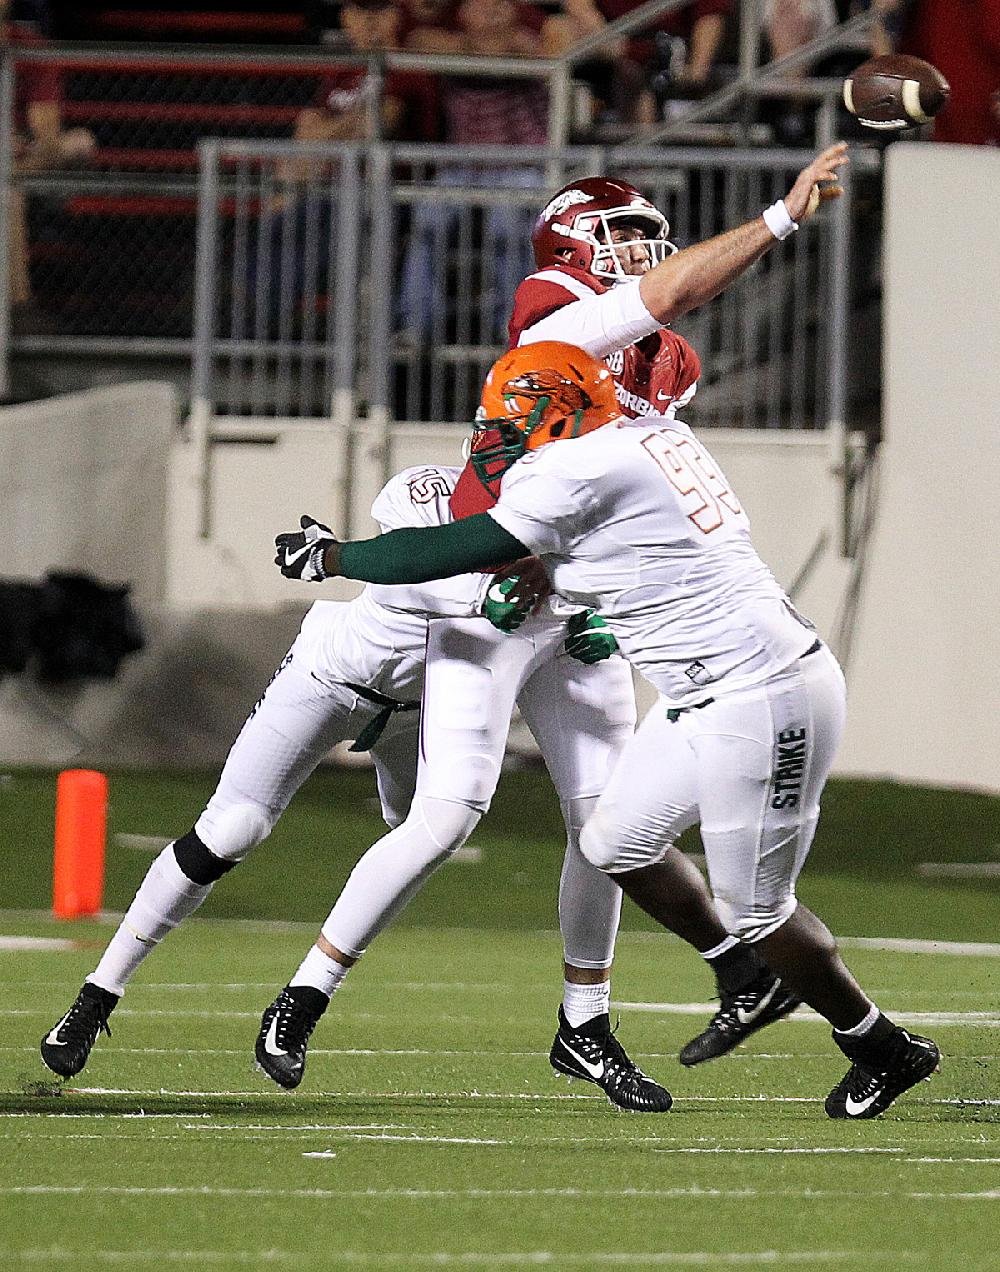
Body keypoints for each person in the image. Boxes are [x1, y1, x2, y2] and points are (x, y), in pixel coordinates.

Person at [277, 332, 942, 1120]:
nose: (501, 438)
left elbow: (458, 546)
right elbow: (632, 554)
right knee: (614, 843)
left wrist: (336, 557)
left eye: (513, 422)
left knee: (758, 909)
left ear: (556, 415)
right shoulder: (655, 436)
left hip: (763, 694)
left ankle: (880, 1045)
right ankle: (742, 973)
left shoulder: (574, 467)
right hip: (706, 687)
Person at [38, 461, 691, 1109]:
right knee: (233, 828)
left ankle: (565, 1019)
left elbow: (577, 592)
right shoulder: (429, 492)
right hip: (331, 683)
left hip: (418, 713)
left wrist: (589, 609)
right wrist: (345, 557)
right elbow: (410, 569)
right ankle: (98, 994)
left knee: (416, 834)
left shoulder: (561, 519)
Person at [2, 0, 95, 332]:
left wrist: (19, 143)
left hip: (25, 157)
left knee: (81, 142)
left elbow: (47, 135)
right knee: (9, 193)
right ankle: (19, 306)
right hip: (9, 163)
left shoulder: (29, 47)